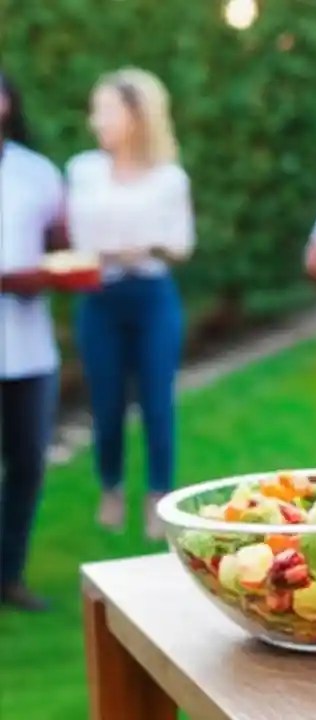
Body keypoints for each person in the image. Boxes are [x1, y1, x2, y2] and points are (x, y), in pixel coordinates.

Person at [68, 68, 194, 540]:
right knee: (106, 401)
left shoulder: (168, 178)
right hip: (100, 297)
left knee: (157, 401)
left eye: (105, 110)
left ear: (136, 117)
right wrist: (131, 243)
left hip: (151, 297)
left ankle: (158, 497)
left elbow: (179, 243)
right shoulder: (83, 170)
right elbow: (83, 239)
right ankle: (111, 487)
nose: (95, 121)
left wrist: (134, 245)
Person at [0, 72, 63, 610]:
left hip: (28, 348)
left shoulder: (34, 172)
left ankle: (9, 573)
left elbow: (60, 246)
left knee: (26, 464)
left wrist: (49, 273)